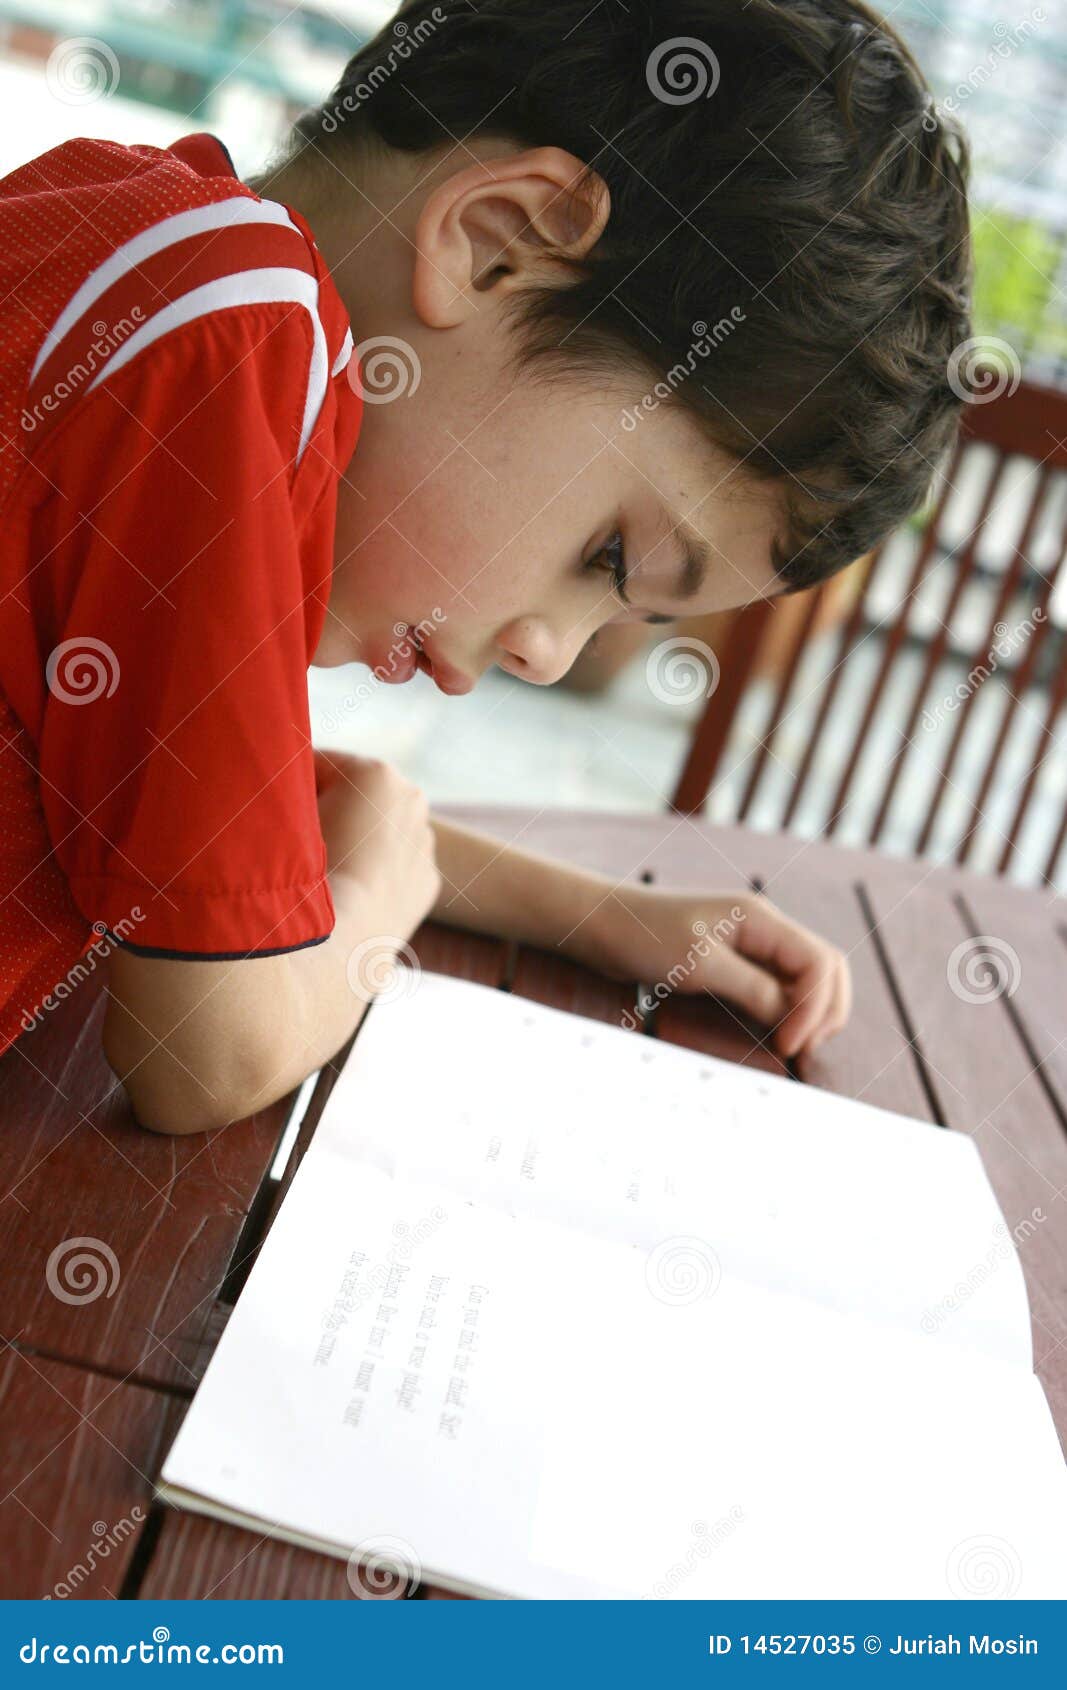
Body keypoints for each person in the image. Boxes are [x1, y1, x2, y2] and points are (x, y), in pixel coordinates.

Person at [0, 0, 971, 1132]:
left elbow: (166, 814)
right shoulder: (240, 335)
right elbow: (205, 1050)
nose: (546, 653)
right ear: (499, 241)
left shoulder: (133, 237)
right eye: (607, 555)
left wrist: (588, 913)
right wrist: (374, 914)